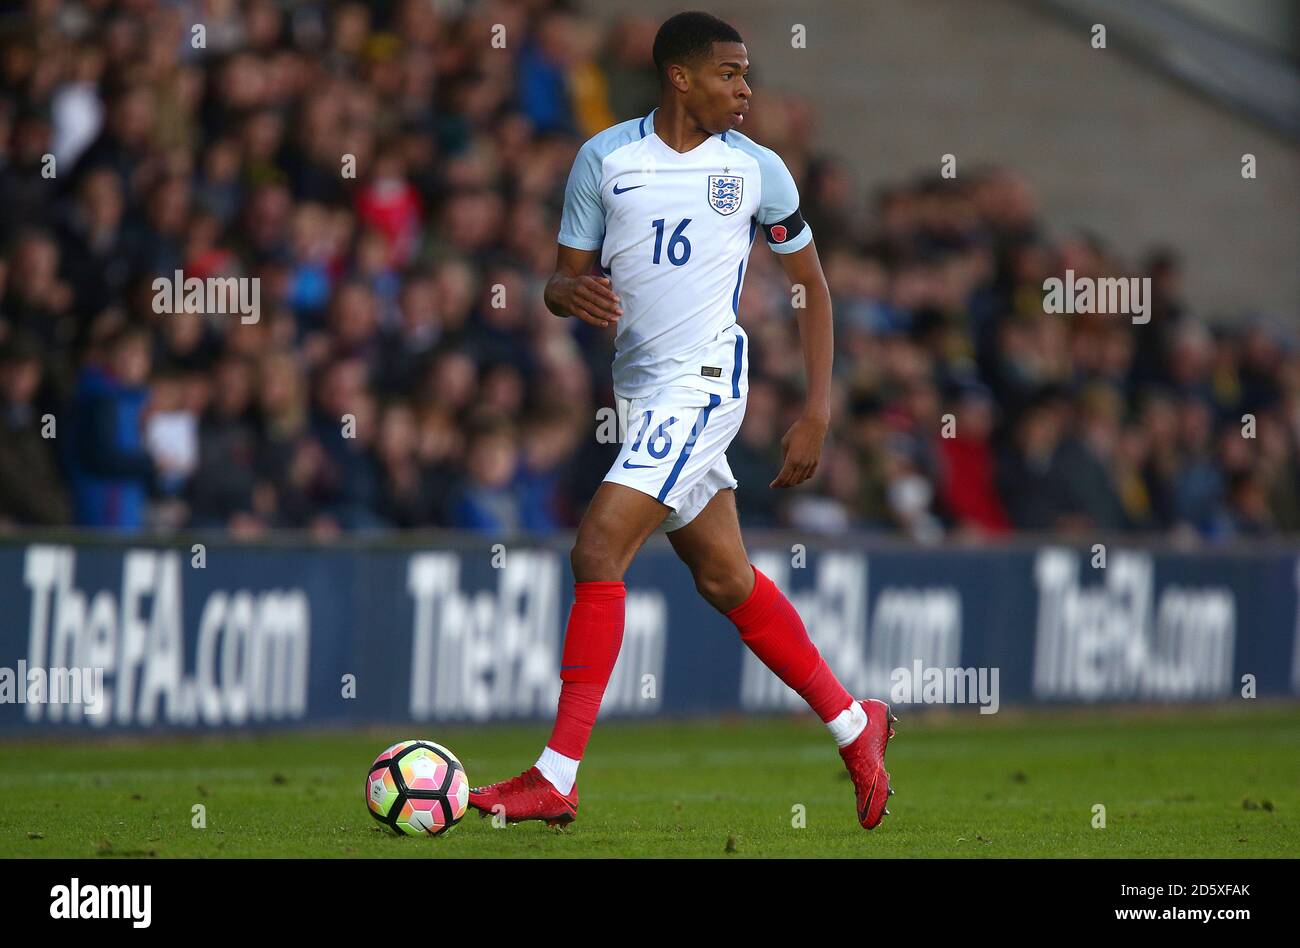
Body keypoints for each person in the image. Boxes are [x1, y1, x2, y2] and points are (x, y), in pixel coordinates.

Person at [469, 12, 896, 831]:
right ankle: (854, 724)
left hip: (704, 383)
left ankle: (556, 775)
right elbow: (561, 281)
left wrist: (816, 409)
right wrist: (569, 294)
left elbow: (811, 286)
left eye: (747, 75)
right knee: (724, 577)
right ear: (679, 76)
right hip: (639, 392)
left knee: (598, 546)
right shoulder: (605, 160)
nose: (744, 89)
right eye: (729, 74)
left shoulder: (758, 171)